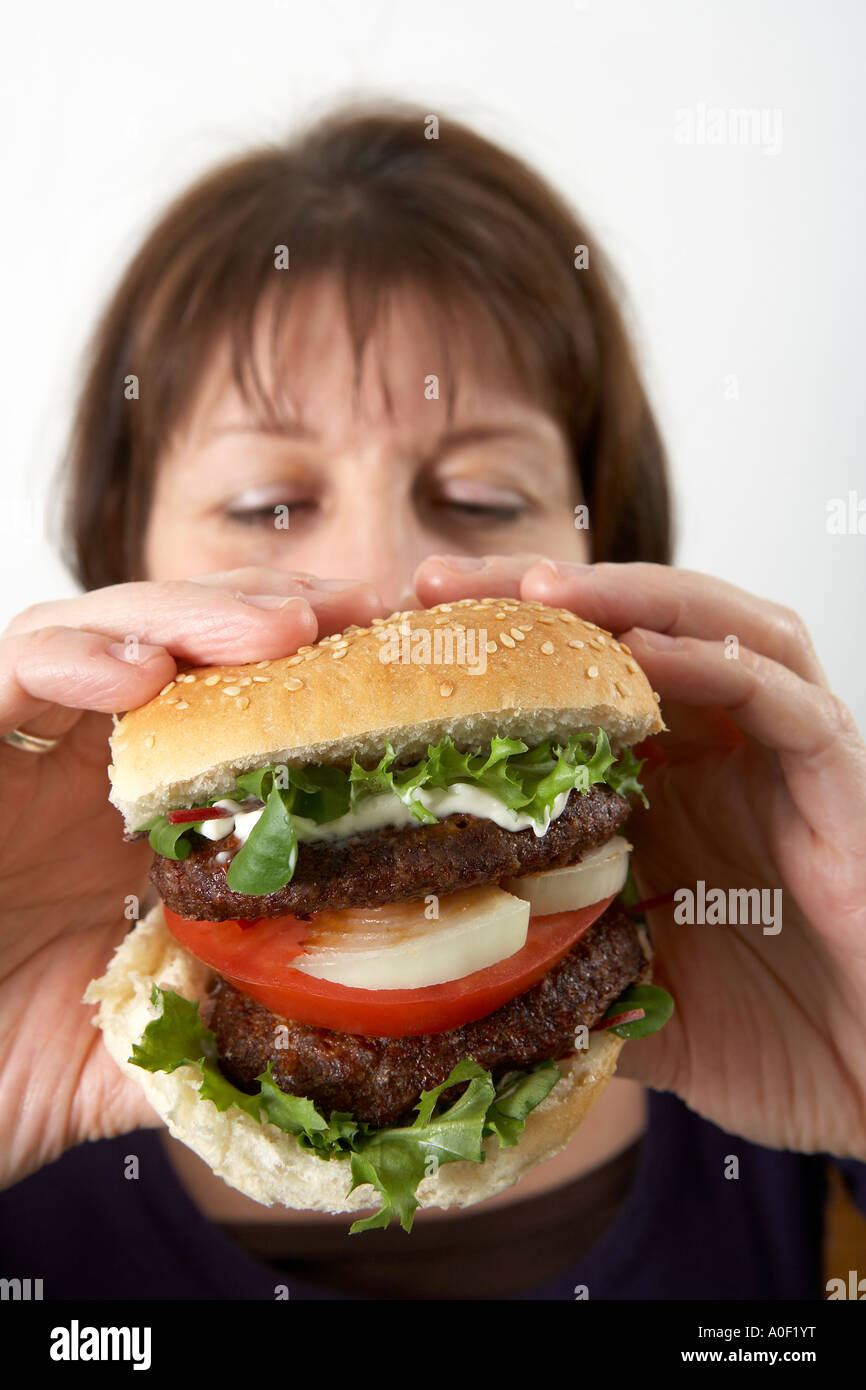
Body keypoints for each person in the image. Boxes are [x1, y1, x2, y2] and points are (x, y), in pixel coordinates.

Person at [1, 100, 864, 1302]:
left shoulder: (812, 1159)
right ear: (120, 563)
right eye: (265, 505)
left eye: (477, 496)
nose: (380, 585)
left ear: (604, 561)